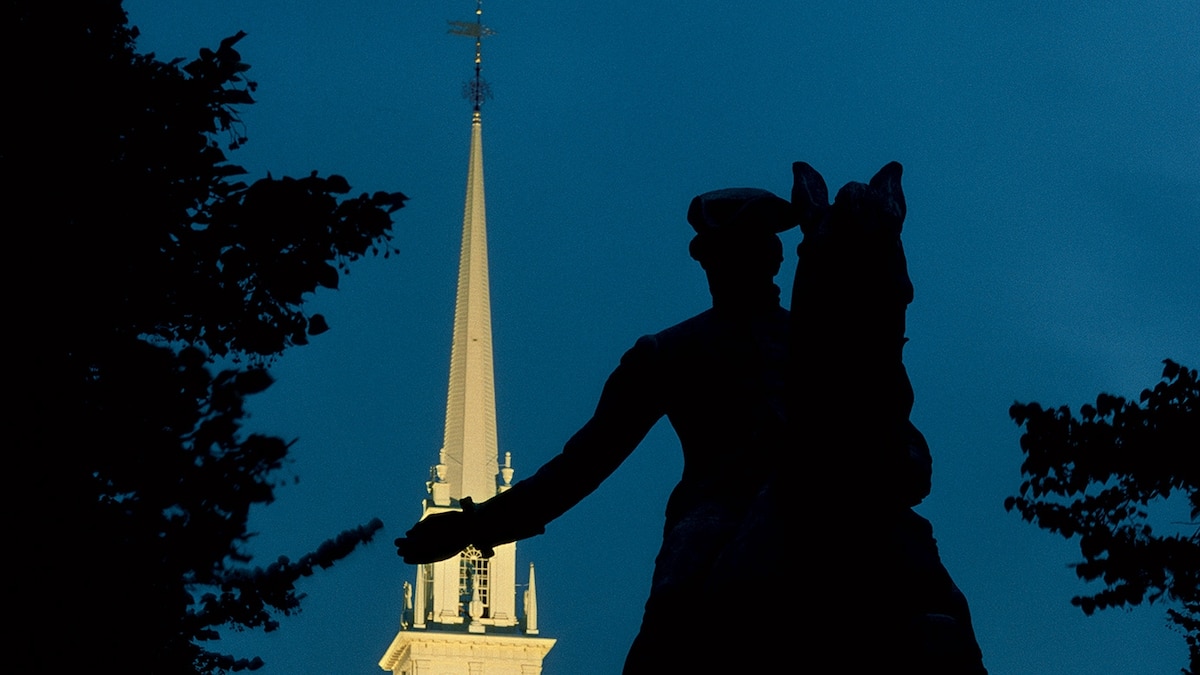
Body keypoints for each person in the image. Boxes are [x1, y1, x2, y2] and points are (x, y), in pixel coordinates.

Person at [396, 187, 797, 672]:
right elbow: (584, 465)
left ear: (769, 259)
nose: (721, 270)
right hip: (715, 530)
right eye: (718, 258)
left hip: (811, 511)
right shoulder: (671, 354)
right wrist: (475, 525)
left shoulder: (823, 347)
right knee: (674, 628)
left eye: (734, 255)